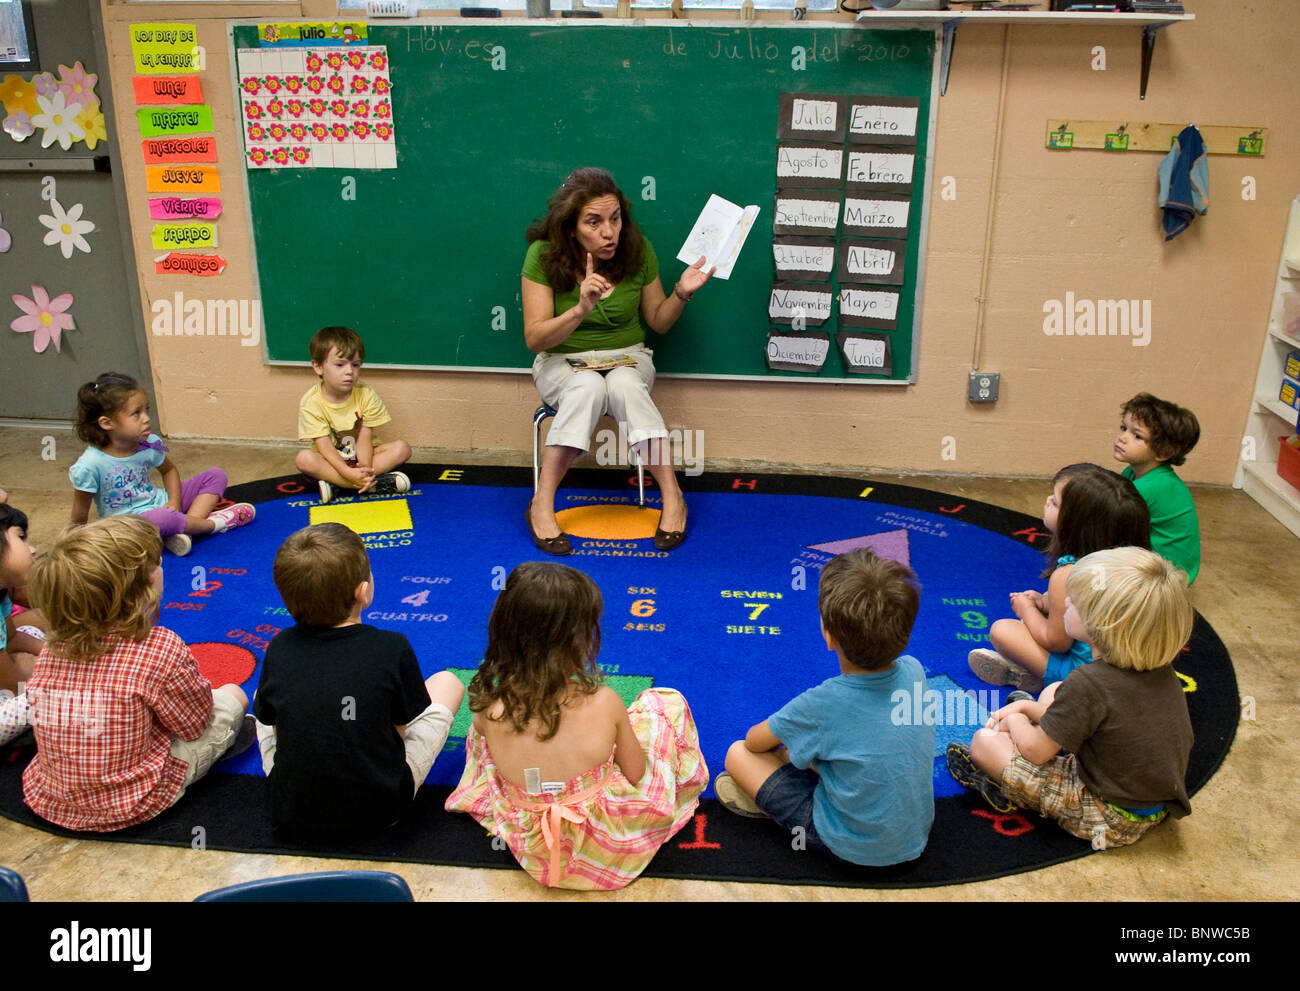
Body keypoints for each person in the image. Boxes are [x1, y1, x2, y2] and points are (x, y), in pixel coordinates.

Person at [446, 562, 708, 889]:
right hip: (605, 842)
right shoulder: (605, 701)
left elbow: (486, 745)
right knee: (666, 702)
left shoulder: (489, 708)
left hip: (534, 845)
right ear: (579, 641)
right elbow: (637, 772)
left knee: (479, 735)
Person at [947, 546, 1194, 848]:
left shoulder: (1088, 682)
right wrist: (1028, 706)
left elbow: (1036, 752)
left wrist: (1015, 719)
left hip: (1107, 816)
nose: (1064, 602)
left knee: (985, 743)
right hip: (1149, 801)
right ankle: (1029, 725)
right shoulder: (1160, 670)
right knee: (1052, 692)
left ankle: (1006, 790)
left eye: (1074, 602)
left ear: (1100, 625)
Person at [522, 167, 714, 554]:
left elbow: (658, 322)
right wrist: (579, 309)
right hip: (563, 361)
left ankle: (673, 496)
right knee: (589, 385)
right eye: (594, 222)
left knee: (624, 382)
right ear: (571, 226)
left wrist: (682, 291)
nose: (609, 232)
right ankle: (541, 504)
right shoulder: (542, 255)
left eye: (615, 219)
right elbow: (535, 338)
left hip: (627, 357)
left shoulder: (637, 249)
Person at [22, 516, 252, 831]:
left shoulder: (52, 649)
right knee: (233, 697)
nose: (162, 566)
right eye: (155, 564)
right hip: (134, 800)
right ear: (138, 589)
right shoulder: (159, 647)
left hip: (57, 799)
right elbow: (194, 724)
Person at [715, 549, 934, 867]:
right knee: (815, 753)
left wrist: (789, 747)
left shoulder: (823, 702)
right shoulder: (914, 670)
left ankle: (775, 812)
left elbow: (753, 742)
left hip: (847, 850)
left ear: (828, 637)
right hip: (915, 838)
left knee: (737, 755)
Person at [253, 523, 463, 837]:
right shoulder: (392, 646)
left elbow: (274, 722)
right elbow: (397, 734)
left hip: (290, 812)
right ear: (362, 591)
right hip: (383, 811)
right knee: (449, 683)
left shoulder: (279, 646)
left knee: (262, 695)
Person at [969, 463, 1150, 695]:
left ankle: (1044, 681)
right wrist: (1045, 603)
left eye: (1055, 502)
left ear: (1076, 524)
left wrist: (1027, 609)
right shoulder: (1132, 566)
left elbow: (1056, 642)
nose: (1047, 500)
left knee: (1002, 630)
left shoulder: (1068, 574)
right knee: (1038, 618)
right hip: (1129, 673)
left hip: (1086, 678)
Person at [69, 371, 255, 556]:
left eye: (146, 409)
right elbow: (79, 515)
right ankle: (215, 524)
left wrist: (173, 501)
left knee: (216, 475)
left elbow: (169, 470)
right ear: (107, 423)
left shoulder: (148, 442)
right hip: (129, 527)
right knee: (161, 518)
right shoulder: (89, 465)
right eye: (136, 413)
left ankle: (186, 530)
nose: (146, 418)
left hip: (161, 504)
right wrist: (74, 550)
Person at [294, 326, 412, 505]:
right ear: (318, 367)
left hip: (365, 456)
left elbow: (366, 437)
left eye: (355, 364)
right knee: (304, 459)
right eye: (340, 365)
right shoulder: (310, 402)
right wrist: (347, 473)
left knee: (402, 449)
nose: (349, 371)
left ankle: (338, 485)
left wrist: (363, 470)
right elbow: (324, 446)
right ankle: (370, 484)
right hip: (331, 460)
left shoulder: (366, 394)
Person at [1113, 392, 1201, 583]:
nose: (1122, 438)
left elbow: (1108, 519)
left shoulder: (1154, 486)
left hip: (1165, 577)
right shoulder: (1133, 472)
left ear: (1163, 452)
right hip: (1156, 564)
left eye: (1136, 435)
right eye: (1123, 428)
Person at [0, 504, 46, 695]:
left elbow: (12, 637)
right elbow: (11, 686)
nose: (32, 550)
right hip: (7, 688)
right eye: (21, 537)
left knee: (30, 631)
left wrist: (55, 655)